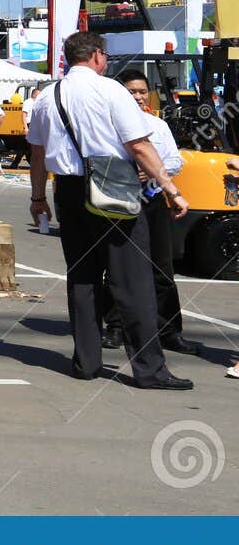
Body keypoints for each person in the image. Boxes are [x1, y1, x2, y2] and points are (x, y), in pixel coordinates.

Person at [26, 32, 192, 389]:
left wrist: (37, 197)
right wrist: (171, 189)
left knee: (82, 277)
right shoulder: (111, 90)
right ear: (98, 56)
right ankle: (149, 368)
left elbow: (37, 155)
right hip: (112, 185)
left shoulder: (46, 97)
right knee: (131, 280)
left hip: (68, 191)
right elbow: (140, 145)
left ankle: (86, 362)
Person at [99, 70, 199, 355]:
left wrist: (153, 172)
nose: (138, 96)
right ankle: (116, 327)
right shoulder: (109, 126)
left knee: (162, 268)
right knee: (119, 269)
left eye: (142, 91)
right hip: (120, 201)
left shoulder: (157, 125)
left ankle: (168, 331)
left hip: (153, 200)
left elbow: (175, 160)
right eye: (132, 91)